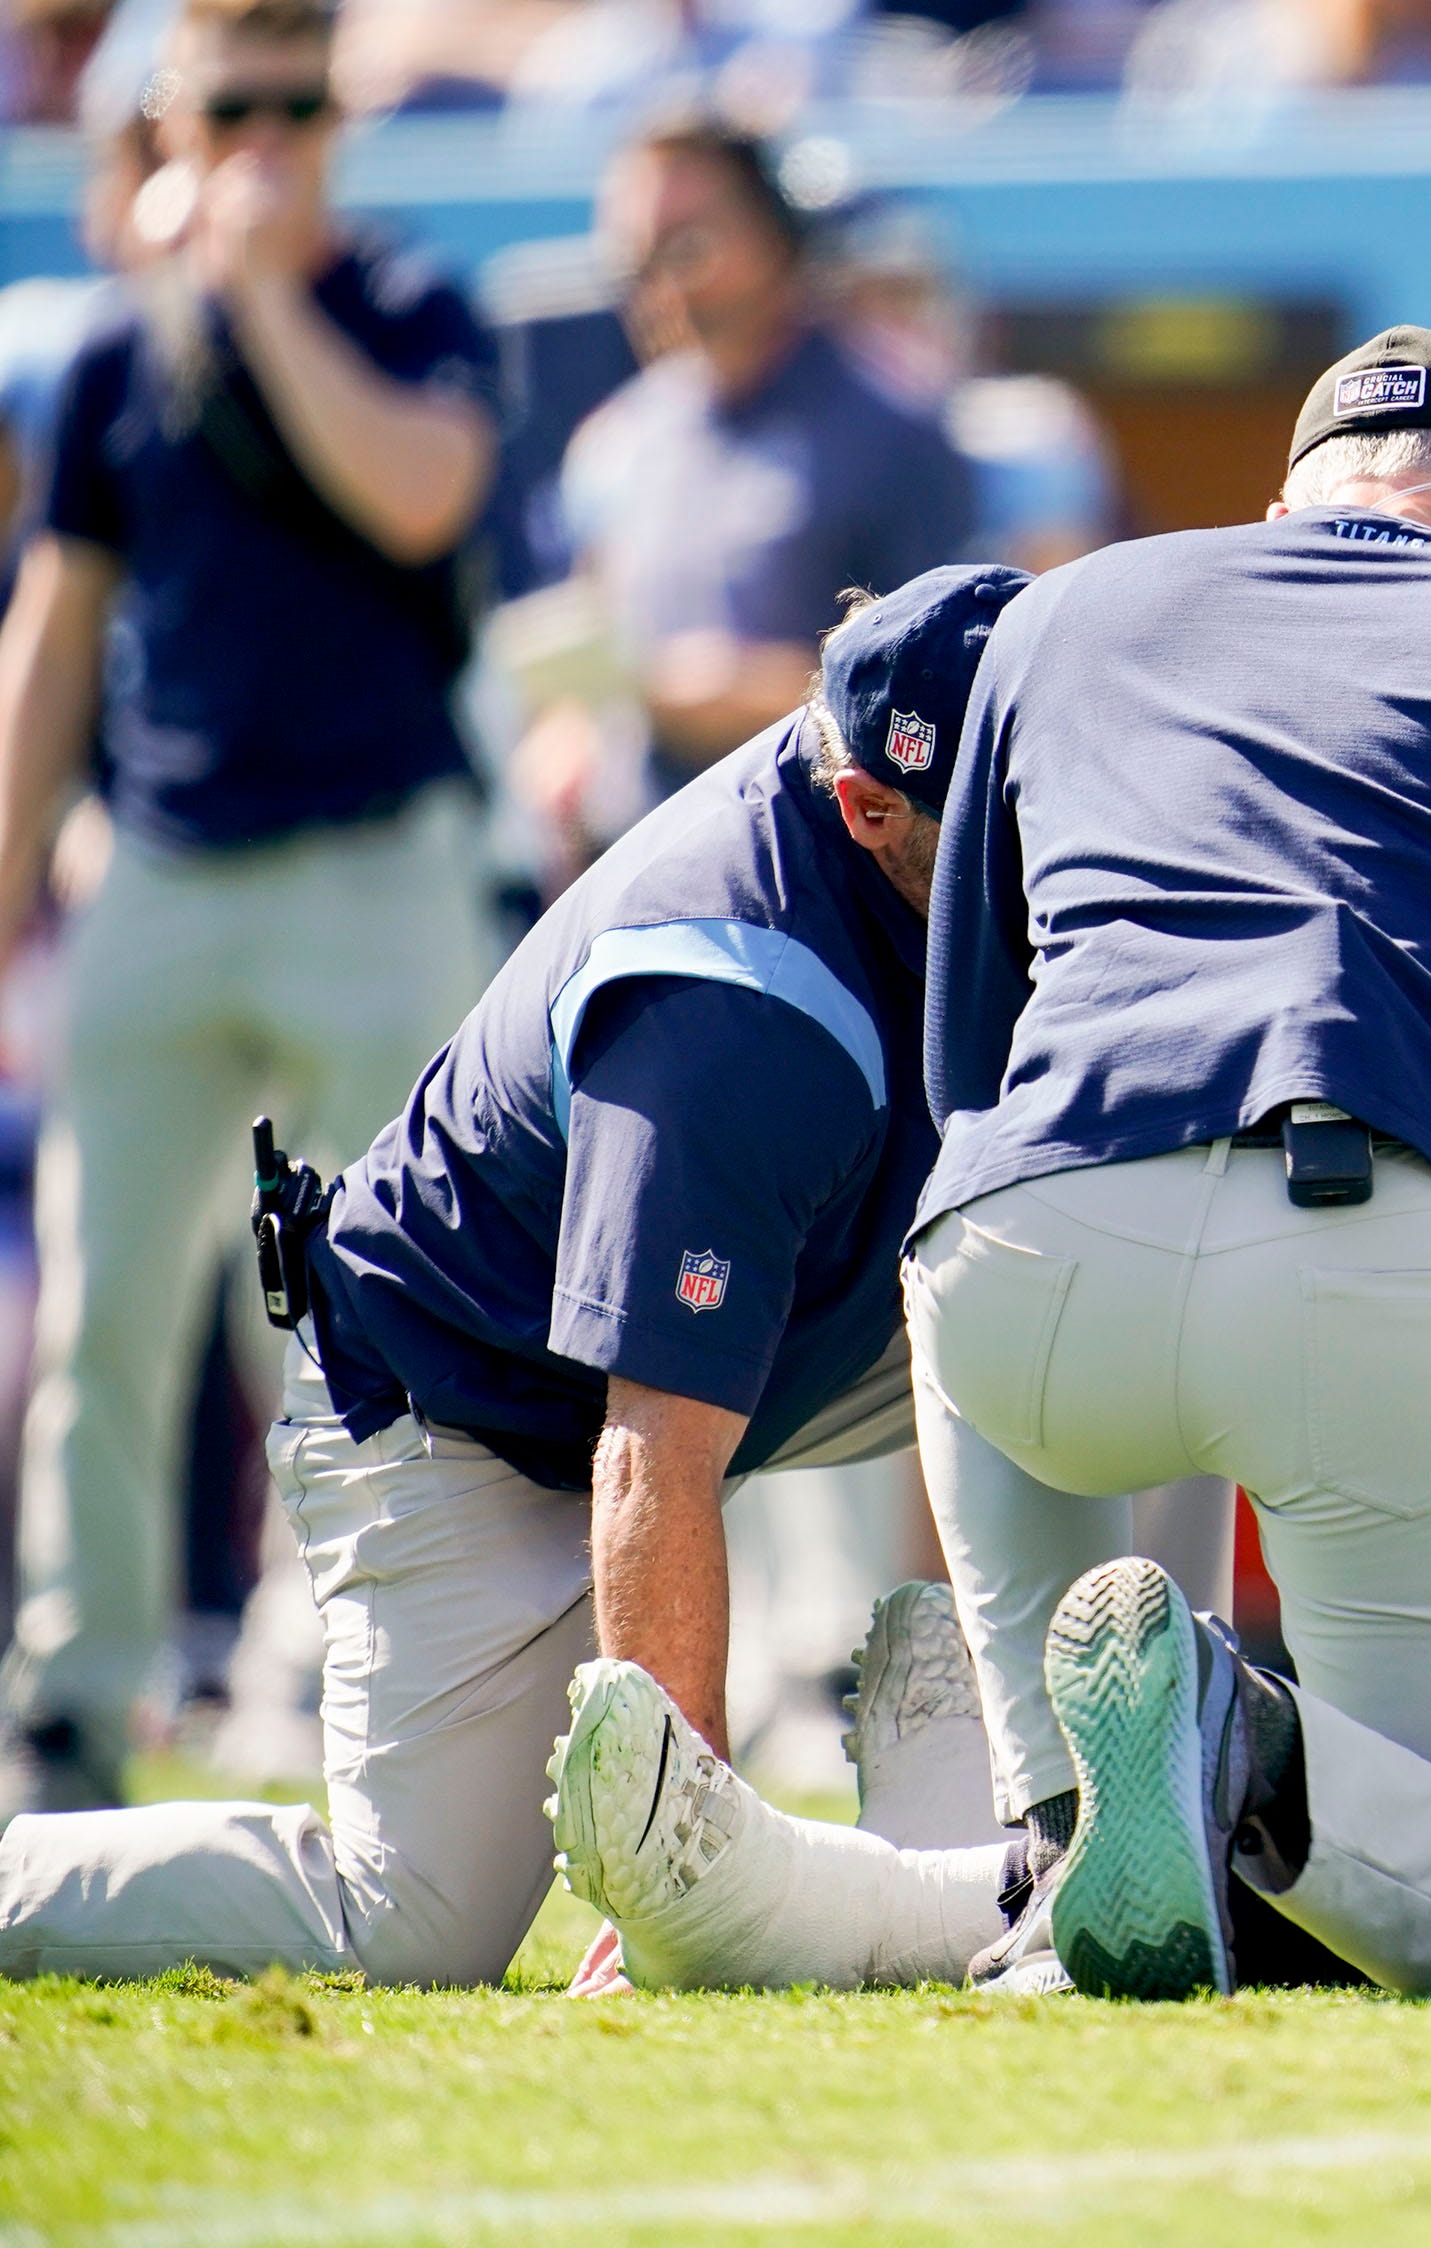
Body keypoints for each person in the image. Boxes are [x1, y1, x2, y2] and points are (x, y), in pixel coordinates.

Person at [756, 326, 1431, 2004]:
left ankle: (1061, 1848)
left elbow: (971, 1053)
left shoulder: (1063, 613)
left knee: (1077, 1841)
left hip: (1026, 1257)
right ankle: (1244, 1742)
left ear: (1286, 506)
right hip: (1380, 1247)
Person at [0, 567, 1040, 1984]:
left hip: (692, 1371)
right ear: (864, 808)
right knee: (413, 1929)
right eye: (991, 820)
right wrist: (685, 1856)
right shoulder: (735, 1002)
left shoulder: (976, 805)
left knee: (1089, 1257)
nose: (1046, 842)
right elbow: (653, 1449)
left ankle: (1008, 1729)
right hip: (461, 1419)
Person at [0, 0, 502, 1819]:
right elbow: (57, 635)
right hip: (163, 870)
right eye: (233, 111)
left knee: (370, 1306)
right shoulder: (110, 354)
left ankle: (340, 1678)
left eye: (301, 107)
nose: (269, 145)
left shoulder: (406, 303)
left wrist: (264, 299)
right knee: (107, 1307)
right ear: (171, 122)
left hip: (376, 865)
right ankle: (74, 1697)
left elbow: (421, 493)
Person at [550, 112, 974, 837]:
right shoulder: (619, 439)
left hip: (820, 861)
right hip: (640, 852)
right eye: (635, 264)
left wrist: (756, 695)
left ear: (776, 237)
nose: (663, 286)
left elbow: (942, 695)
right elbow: (583, 648)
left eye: (689, 248)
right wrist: (567, 741)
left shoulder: (890, 428)